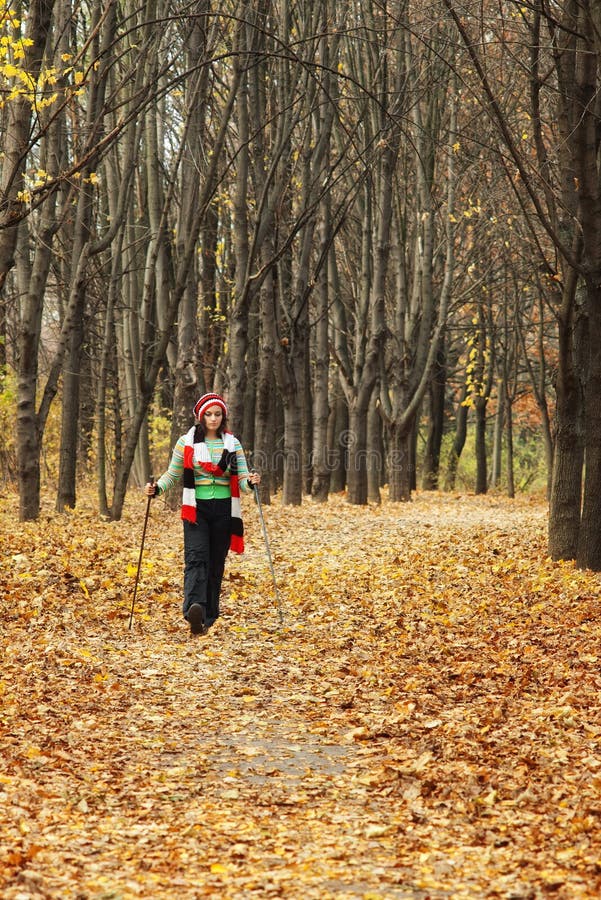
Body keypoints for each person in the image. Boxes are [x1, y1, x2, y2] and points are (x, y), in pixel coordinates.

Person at [145, 392, 260, 635]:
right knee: (197, 557)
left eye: (218, 414)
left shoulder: (232, 444)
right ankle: (194, 608)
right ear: (200, 416)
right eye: (208, 414)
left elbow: (241, 481)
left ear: (223, 416)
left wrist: (251, 482)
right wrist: (156, 489)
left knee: (216, 562)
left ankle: (207, 617)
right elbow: (173, 474)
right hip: (195, 509)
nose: (213, 418)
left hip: (224, 510)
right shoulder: (186, 443)